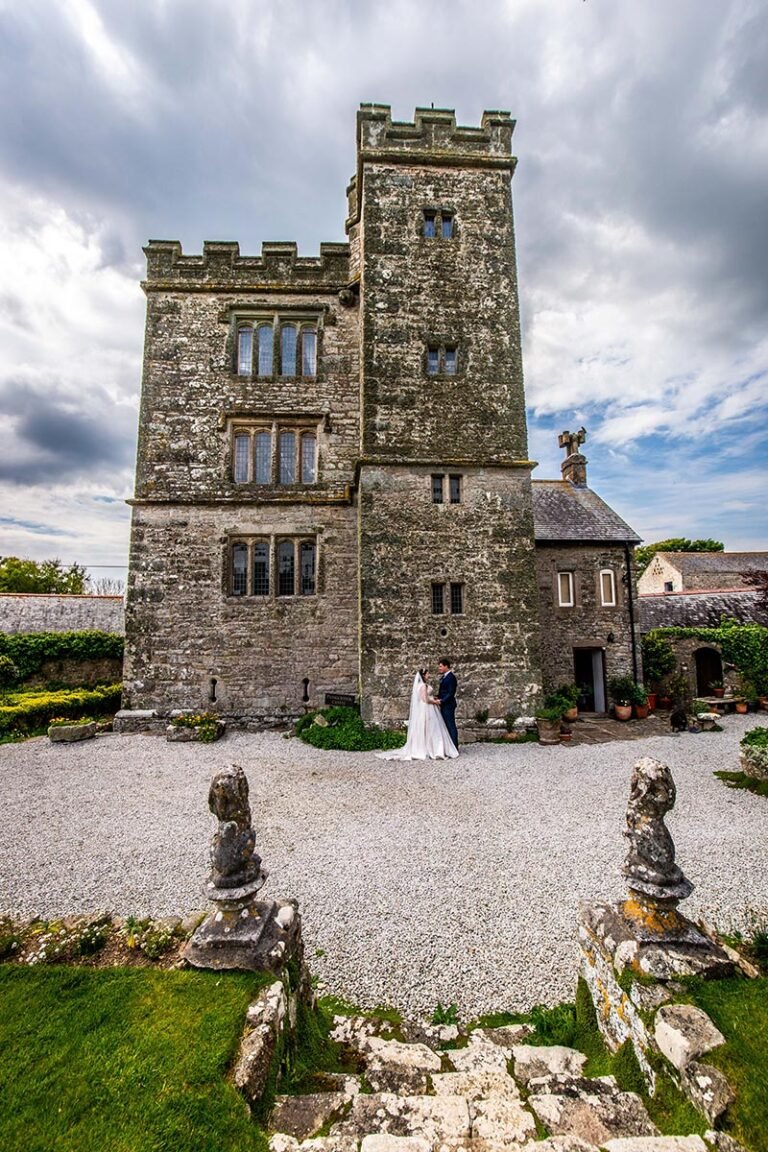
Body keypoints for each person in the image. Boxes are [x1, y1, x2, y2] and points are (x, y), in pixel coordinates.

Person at [377, 669, 458, 760]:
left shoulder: (420, 685)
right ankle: (432, 748)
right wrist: (435, 702)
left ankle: (431, 746)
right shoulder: (423, 686)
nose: (429, 675)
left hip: (427, 708)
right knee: (431, 728)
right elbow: (425, 700)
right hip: (427, 708)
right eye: (427, 673)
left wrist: (434, 697)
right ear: (423, 675)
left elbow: (424, 697)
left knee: (429, 728)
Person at [434, 658, 459, 749]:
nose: (439, 668)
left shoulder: (451, 677)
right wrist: (438, 697)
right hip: (444, 704)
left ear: (446, 666)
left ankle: (454, 747)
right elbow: (444, 691)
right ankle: (450, 746)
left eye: (440, 666)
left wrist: (442, 700)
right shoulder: (445, 677)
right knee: (446, 725)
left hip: (448, 705)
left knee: (450, 725)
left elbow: (451, 693)